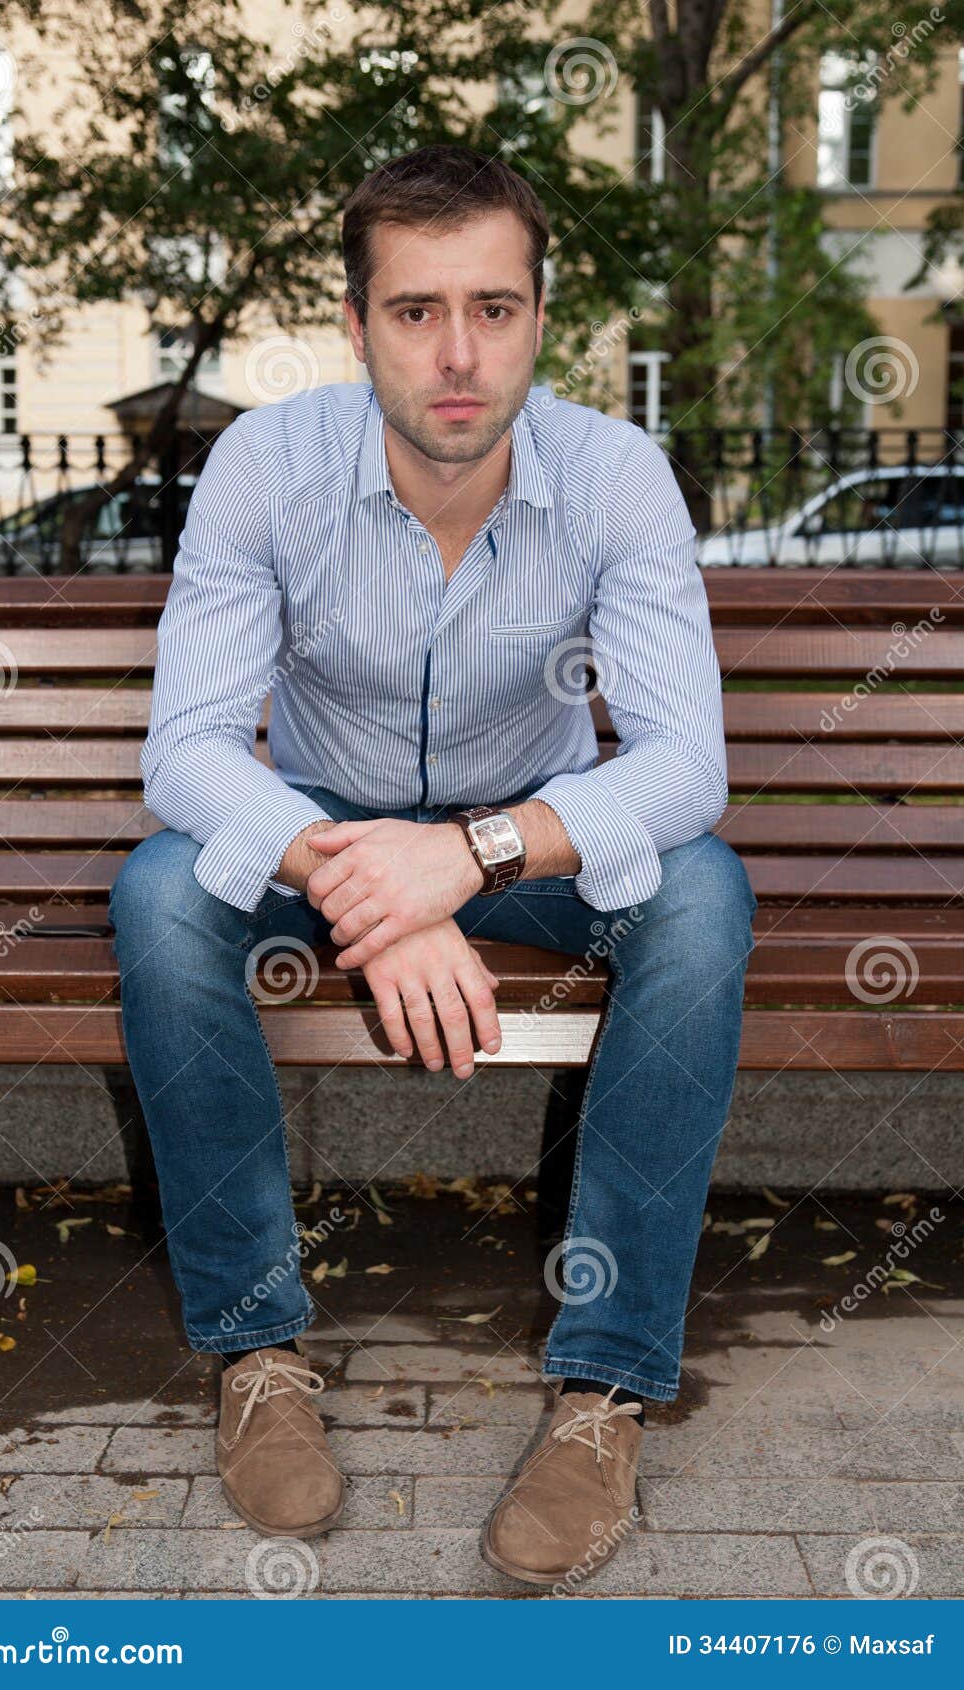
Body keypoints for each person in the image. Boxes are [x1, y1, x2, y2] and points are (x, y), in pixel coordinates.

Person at [109, 143, 756, 1588]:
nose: (456, 354)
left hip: (524, 832)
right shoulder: (265, 469)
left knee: (700, 894)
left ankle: (602, 1388)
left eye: (493, 308)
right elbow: (192, 749)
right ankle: (256, 1350)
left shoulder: (615, 477)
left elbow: (682, 765)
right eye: (414, 311)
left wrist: (458, 861)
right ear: (355, 324)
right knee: (160, 896)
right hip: (325, 820)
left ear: (540, 315)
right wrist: (374, 887)